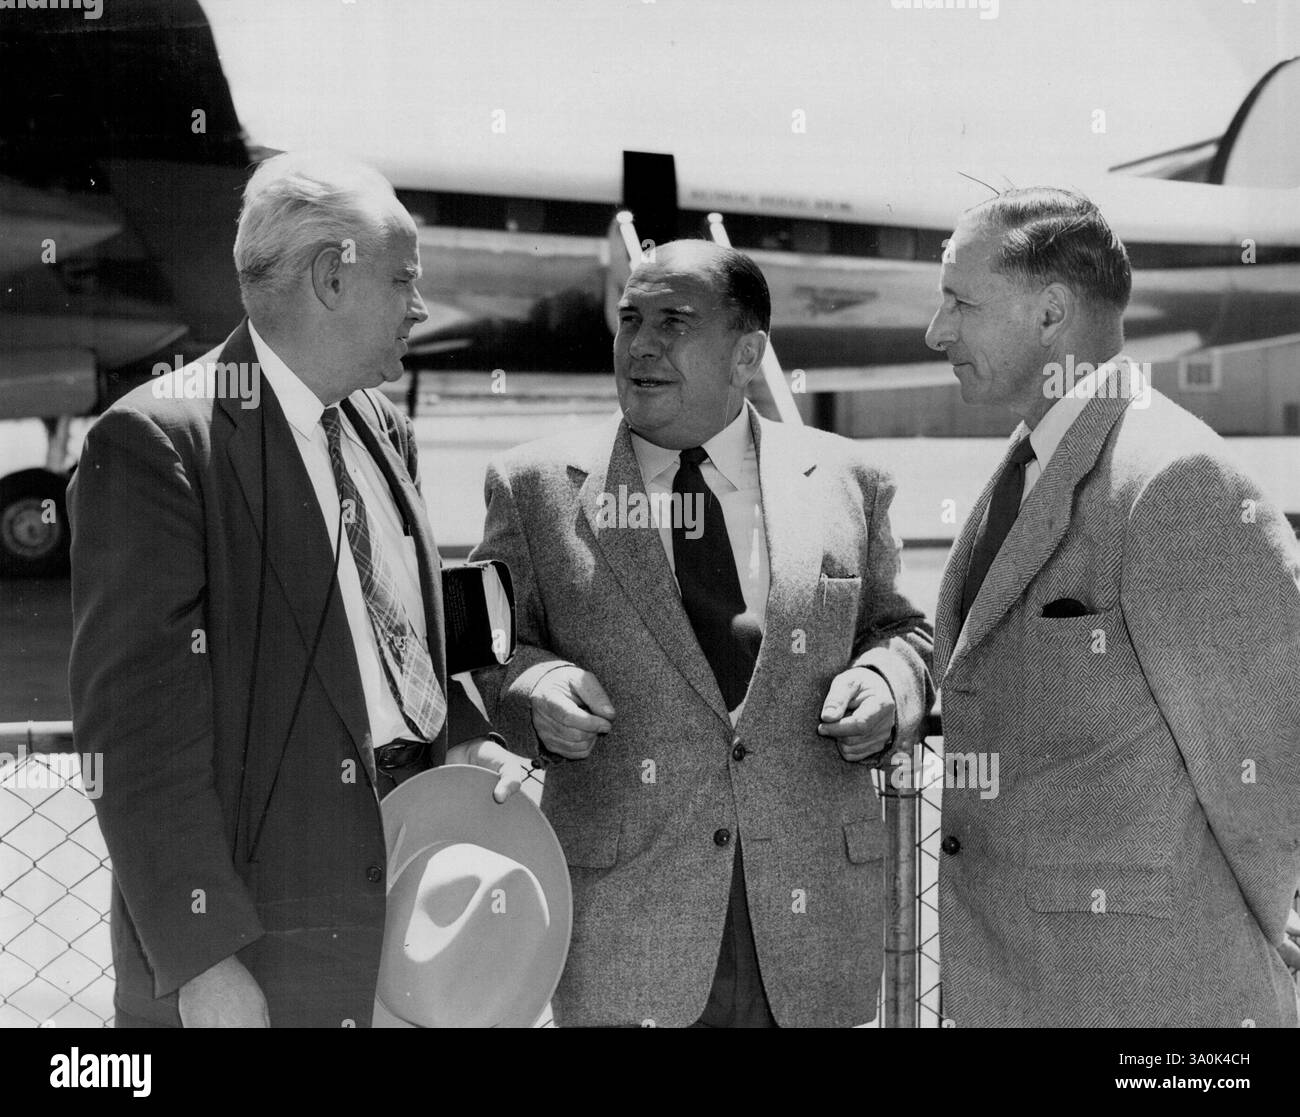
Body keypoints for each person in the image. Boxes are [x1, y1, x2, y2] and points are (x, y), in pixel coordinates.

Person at [68, 151, 528, 1028]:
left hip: (407, 902)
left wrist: (466, 736)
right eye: (403, 280)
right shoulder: (157, 444)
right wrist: (205, 961)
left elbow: (395, 630)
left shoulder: (382, 428)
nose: (421, 307)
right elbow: (135, 738)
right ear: (330, 277)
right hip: (259, 939)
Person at [470, 240, 934, 1027]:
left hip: (809, 928)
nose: (641, 344)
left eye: (674, 321)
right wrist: (531, 686)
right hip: (628, 929)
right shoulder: (535, 486)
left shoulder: (850, 480)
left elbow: (904, 631)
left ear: (747, 352)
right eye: (629, 320)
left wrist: (891, 682)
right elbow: (488, 651)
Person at [927, 186, 1300, 1026]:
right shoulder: (1031, 460)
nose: (936, 331)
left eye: (960, 301)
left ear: (1051, 312)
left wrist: (1255, 933)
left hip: (1152, 1006)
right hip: (1020, 992)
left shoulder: (1174, 481)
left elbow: (1270, 762)